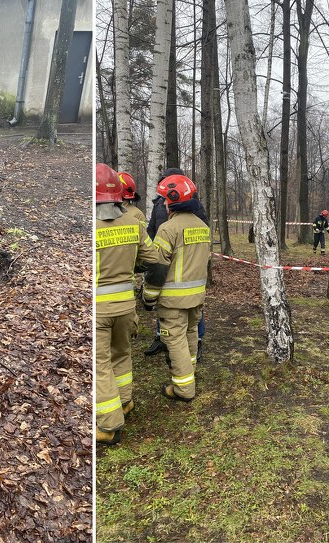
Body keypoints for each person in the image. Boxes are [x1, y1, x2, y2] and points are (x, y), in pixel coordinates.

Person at [95, 163, 162, 445]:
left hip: (98, 310)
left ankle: (109, 426)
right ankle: (125, 402)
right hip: (125, 307)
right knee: (121, 354)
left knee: (100, 365)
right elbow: (153, 258)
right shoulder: (134, 224)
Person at [142, 174, 210, 402]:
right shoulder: (202, 227)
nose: (163, 203)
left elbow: (157, 269)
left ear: (172, 200)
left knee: (175, 340)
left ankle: (184, 389)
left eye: (164, 199)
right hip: (196, 297)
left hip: (173, 301)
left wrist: (148, 297)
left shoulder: (167, 229)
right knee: (191, 334)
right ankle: (189, 375)